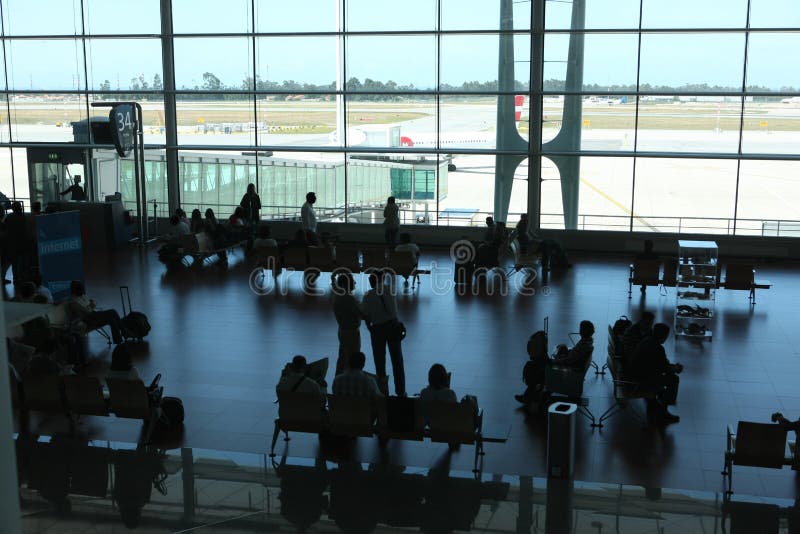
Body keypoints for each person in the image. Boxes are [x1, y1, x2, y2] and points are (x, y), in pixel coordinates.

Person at [360, 272, 406, 396]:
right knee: (397, 361)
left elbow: (364, 314)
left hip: (377, 329)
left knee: (379, 361)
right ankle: (400, 391)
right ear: (382, 279)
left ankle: (383, 391)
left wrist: (370, 327)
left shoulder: (368, 296)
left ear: (372, 281)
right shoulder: (390, 290)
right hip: (393, 327)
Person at [628, 323, 683, 424]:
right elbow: (663, 368)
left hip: (635, 374)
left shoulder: (646, 341)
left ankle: (659, 405)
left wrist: (670, 367)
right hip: (641, 379)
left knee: (669, 377)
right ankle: (663, 410)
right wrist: (675, 368)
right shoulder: (657, 348)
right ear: (664, 336)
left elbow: (658, 365)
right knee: (673, 379)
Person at [67, 280, 124, 344]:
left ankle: (118, 342)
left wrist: (90, 305)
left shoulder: (82, 296)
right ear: (75, 290)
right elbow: (88, 311)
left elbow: (93, 302)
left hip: (94, 315)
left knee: (111, 320)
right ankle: (124, 331)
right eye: (81, 289)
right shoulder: (73, 301)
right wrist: (90, 305)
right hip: (89, 319)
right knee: (112, 311)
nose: (83, 291)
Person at [333, 273, 362, 375]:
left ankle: (339, 379)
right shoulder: (350, 299)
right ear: (347, 283)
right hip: (352, 332)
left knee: (342, 357)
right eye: (353, 281)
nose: (355, 282)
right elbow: (361, 313)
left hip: (342, 330)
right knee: (353, 358)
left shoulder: (338, 296)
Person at [515, 331, 549, 405]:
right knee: (536, 377)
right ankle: (527, 397)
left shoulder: (540, 361)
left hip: (541, 374)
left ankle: (528, 398)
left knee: (535, 379)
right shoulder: (544, 358)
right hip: (543, 369)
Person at [4, 201, 29, 281]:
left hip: (13, 243)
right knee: (23, 261)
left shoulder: (9, 217)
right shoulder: (24, 217)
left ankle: (16, 278)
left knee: (14, 262)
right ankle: (23, 277)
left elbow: (5, 229)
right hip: (23, 242)